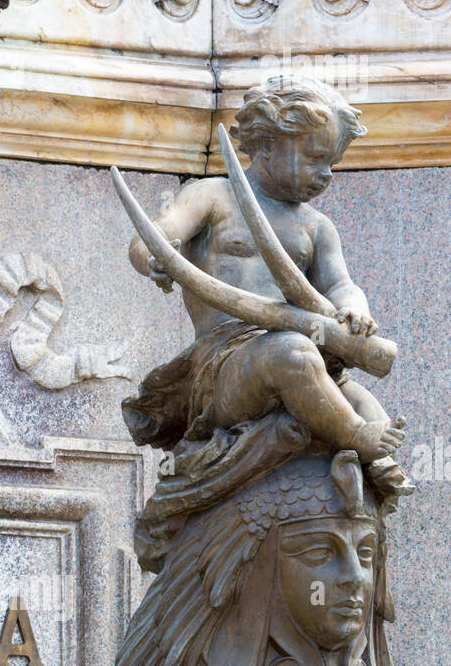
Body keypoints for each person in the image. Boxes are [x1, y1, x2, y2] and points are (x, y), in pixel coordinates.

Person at [125, 75, 404, 479]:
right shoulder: (213, 196)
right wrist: (154, 254)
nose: (325, 173)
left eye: (332, 164)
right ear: (269, 142)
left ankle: (381, 467)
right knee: (291, 354)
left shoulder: (316, 227)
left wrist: (353, 308)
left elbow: (341, 284)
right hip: (225, 364)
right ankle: (358, 436)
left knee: (354, 393)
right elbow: (157, 232)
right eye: (314, 158)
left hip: (308, 350)